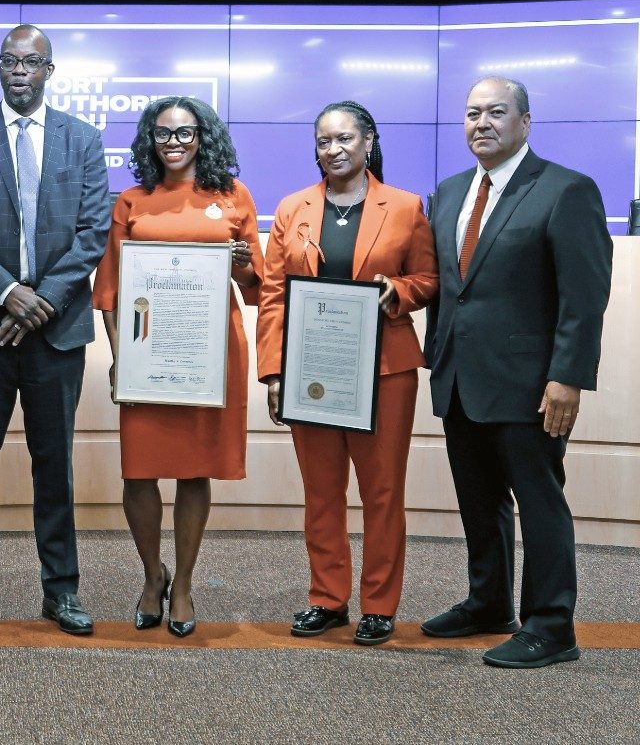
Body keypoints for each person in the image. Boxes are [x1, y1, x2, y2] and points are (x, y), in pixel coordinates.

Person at [421, 77, 611, 668]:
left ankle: (551, 626)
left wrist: (568, 377)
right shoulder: (449, 192)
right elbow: (450, 287)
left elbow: (585, 295)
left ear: (524, 122)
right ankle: (489, 603)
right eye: (472, 112)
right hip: (459, 378)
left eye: (496, 112)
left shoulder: (565, 189)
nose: (482, 122)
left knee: (539, 502)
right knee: (480, 501)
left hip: (532, 385)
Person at [0, 24, 111, 640]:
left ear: (49, 71)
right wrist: (9, 292)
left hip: (57, 332)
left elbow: (93, 232)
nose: (19, 71)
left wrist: (44, 299)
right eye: (9, 61)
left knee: (54, 465)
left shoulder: (83, 140)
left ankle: (61, 591)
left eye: (30, 62)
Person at [256, 101, 438, 646]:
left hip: (385, 372)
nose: (332, 150)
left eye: (343, 139)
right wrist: (274, 372)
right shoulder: (293, 208)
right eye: (323, 141)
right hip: (310, 370)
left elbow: (428, 279)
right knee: (321, 492)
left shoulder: (404, 206)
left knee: (382, 492)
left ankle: (378, 605)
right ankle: (328, 599)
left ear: (368, 141)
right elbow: (273, 294)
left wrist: (397, 291)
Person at [92, 96, 263, 638]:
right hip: (146, 352)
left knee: (194, 469)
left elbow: (256, 282)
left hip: (209, 352)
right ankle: (152, 576)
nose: (174, 142)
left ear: (202, 138)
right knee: (139, 471)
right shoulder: (132, 200)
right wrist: (119, 359)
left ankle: (183, 583)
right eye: (163, 133)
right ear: (150, 140)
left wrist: (242, 263)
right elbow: (111, 288)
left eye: (185, 133)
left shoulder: (233, 195)